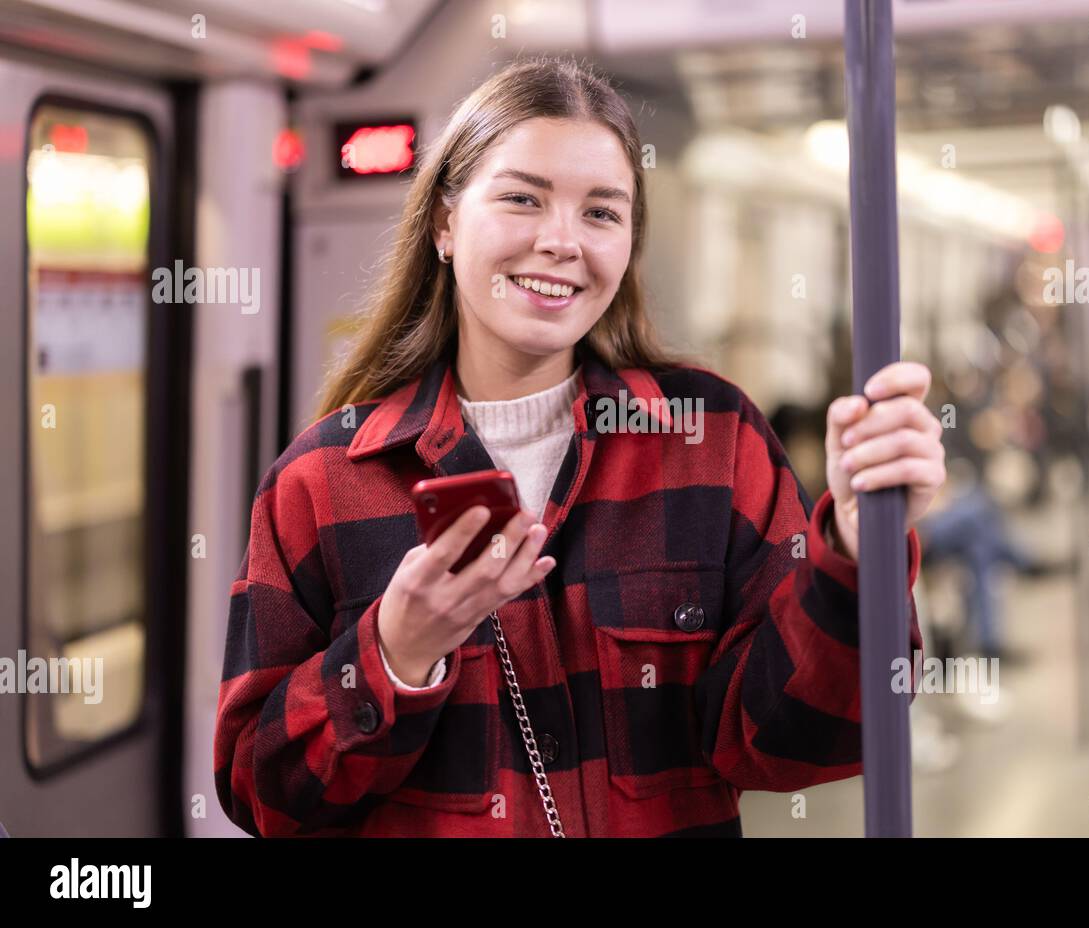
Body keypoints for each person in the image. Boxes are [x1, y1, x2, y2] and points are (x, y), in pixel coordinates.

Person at [213, 57, 946, 837]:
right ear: (444, 224)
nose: (562, 242)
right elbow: (262, 795)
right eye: (523, 199)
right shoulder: (323, 482)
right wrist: (393, 655)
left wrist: (852, 556)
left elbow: (796, 745)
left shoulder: (710, 440)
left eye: (602, 213)